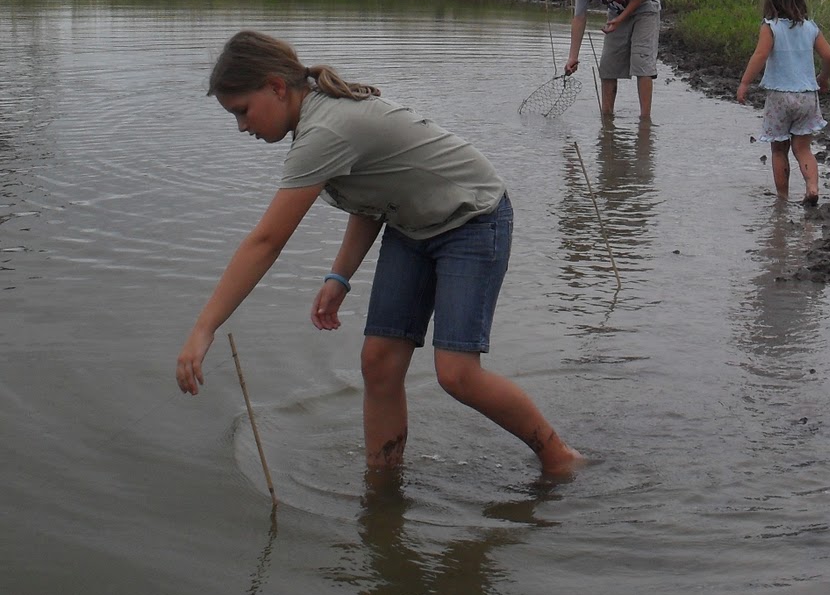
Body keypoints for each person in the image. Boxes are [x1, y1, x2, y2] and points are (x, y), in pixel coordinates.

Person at [175, 31, 581, 479]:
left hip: (472, 218)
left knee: (457, 373)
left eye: (242, 111)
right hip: (412, 225)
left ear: (275, 87)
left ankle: (559, 457)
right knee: (379, 363)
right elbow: (372, 194)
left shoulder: (324, 129)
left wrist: (204, 328)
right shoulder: (317, 122)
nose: (242, 127)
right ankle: (383, 485)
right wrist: (339, 277)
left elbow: (266, 242)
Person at [736, 0, 830, 203]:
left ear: (771, 1)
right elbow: (829, 56)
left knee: (779, 150)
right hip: (807, 96)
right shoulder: (810, 28)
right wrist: (824, 77)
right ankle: (812, 188)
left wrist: (745, 83)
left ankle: (782, 198)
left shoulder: (771, 27)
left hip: (779, 97)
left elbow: (760, 55)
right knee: (803, 148)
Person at [560, 0, 661, 120]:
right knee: (607, 66)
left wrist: (620, 19)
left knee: (642, 63)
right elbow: (579, 17)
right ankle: (607, 119)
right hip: (618, 12)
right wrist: (573, 57)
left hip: (645, 8)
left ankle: (645, 121)